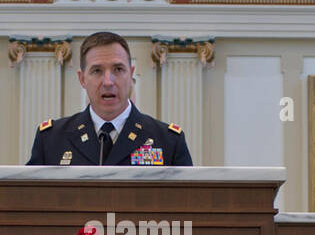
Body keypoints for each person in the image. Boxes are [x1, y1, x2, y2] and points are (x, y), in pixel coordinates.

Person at [26, 32, 193, 167]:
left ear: (131, 73)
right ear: (82, 79)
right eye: (97, 71)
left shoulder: (169, 141)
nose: (108, 82)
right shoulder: (51, 140)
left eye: (118, 69)